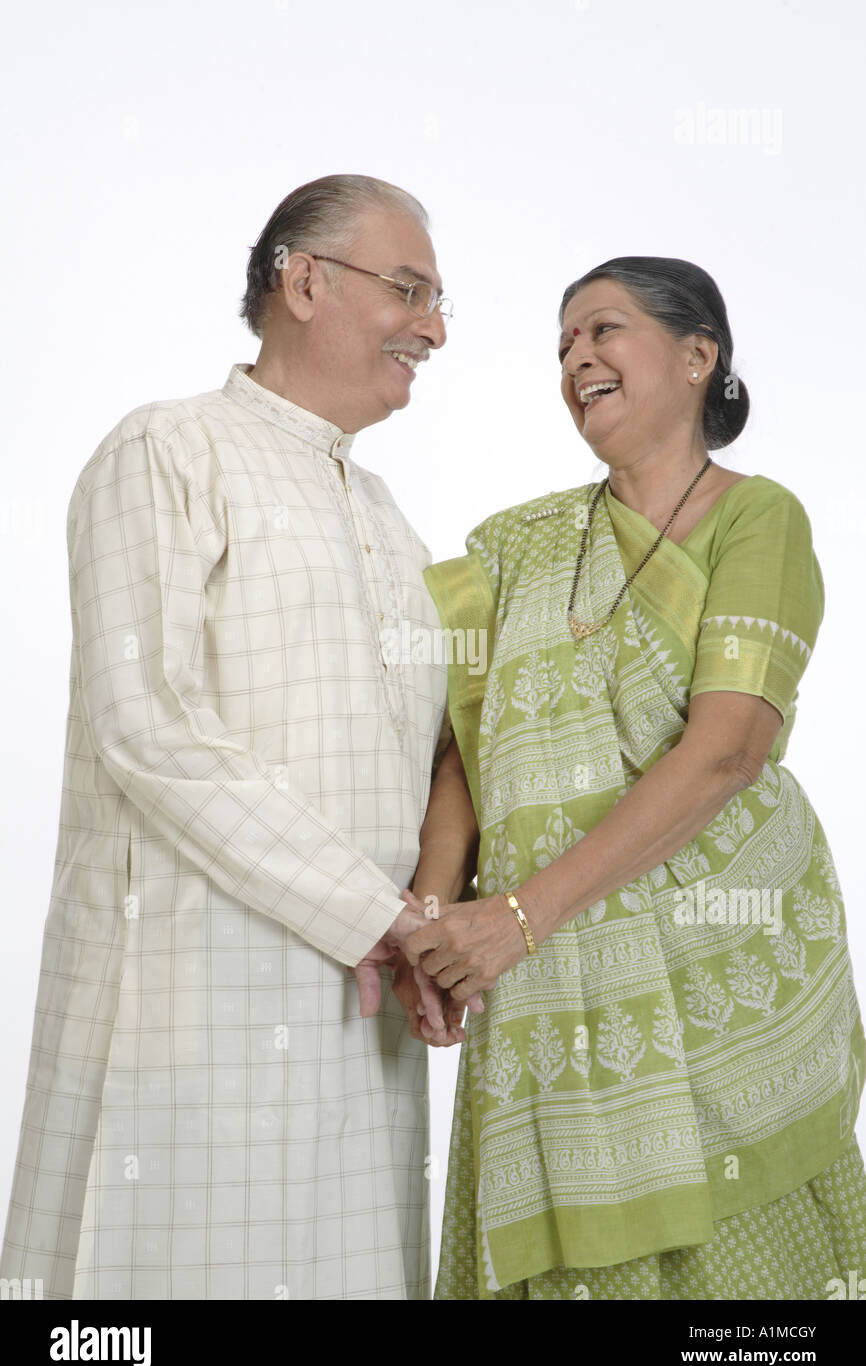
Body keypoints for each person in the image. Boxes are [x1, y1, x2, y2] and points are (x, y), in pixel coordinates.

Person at [0, 173, 467, 1302]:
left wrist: (428, 924)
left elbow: (438, 756)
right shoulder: (167, 450)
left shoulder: (393, 524)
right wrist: (375, 915)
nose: (435, 329)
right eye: (408, 290)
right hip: (192, 985)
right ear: (302, 281)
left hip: (363, 1008)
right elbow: (145, 720)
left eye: (441, 301)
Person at [405, 256, 866, 1300]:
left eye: (602, 331)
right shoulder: (516, 545)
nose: (576, 360)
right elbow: (466, 754)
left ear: (697, 355)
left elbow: (726, 749)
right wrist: (432, 921)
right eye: (563, 347)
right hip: (541, 980)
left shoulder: (758, 519)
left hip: (713, 966)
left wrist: (513, 918)